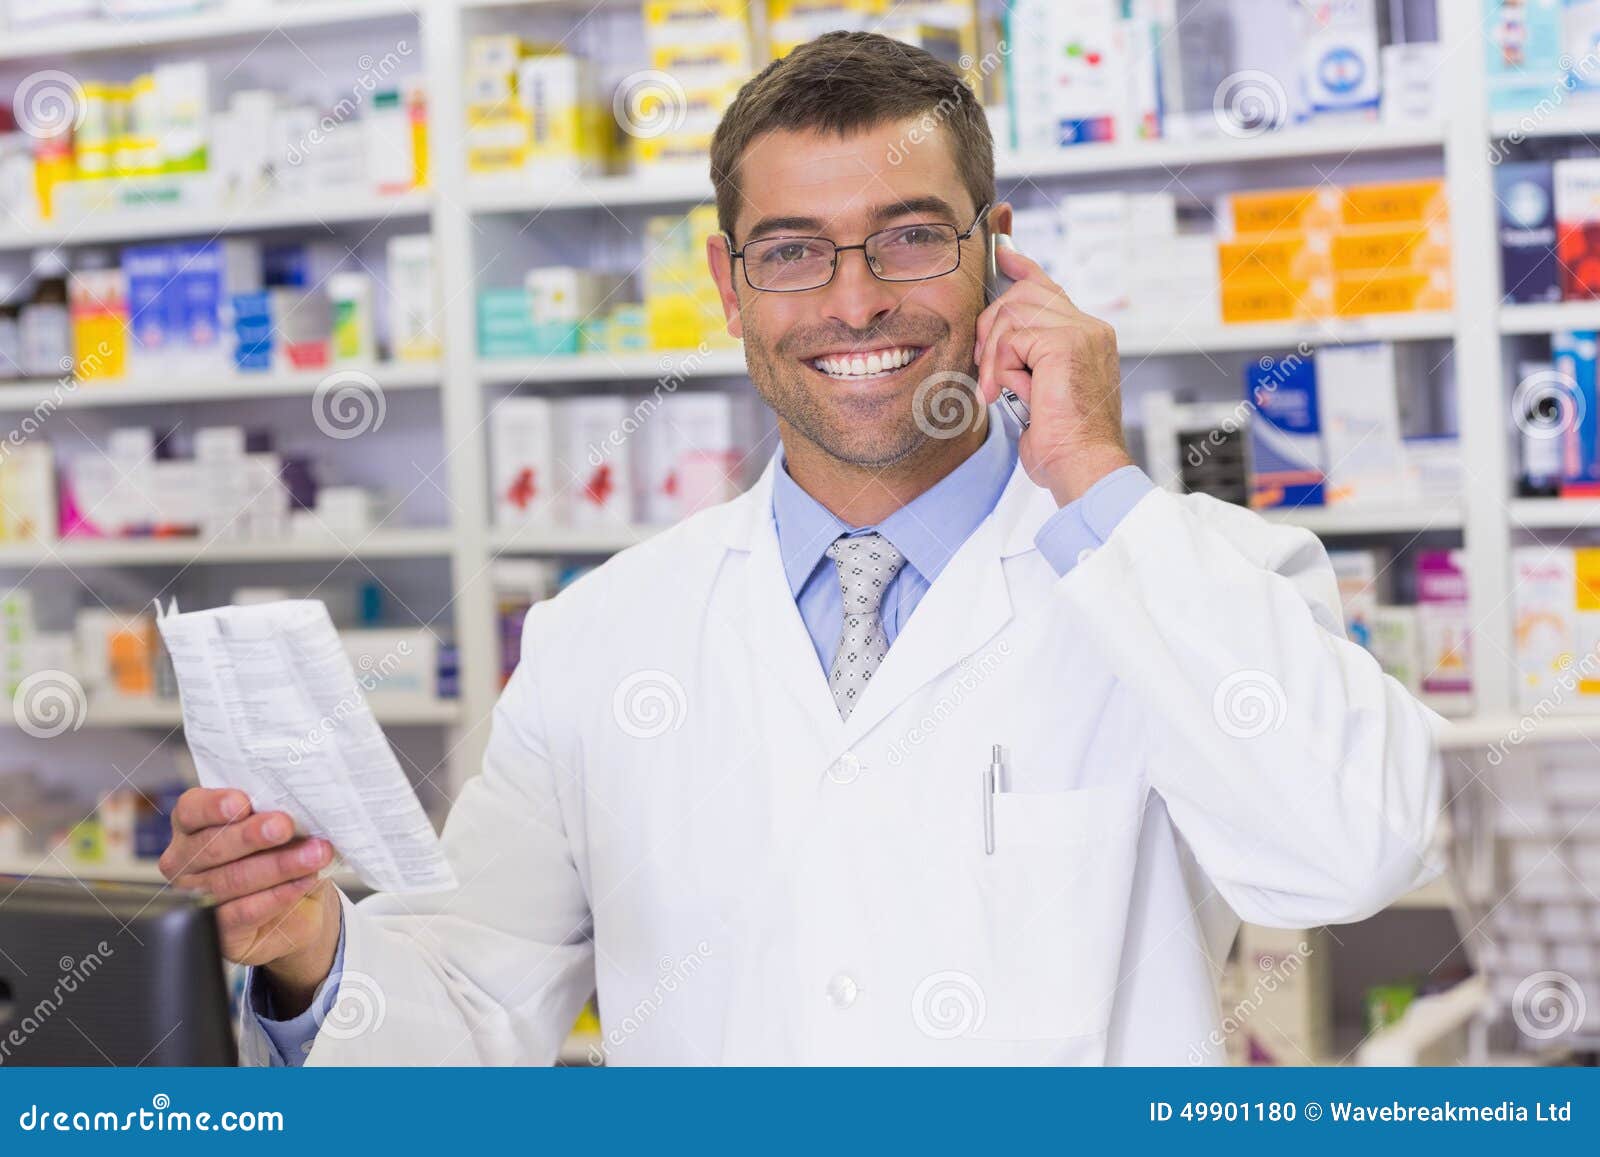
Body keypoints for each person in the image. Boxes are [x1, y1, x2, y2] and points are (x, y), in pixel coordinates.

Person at [159, 31, 1444, 1065]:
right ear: (728, 287)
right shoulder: (600, 638)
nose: (852, 299)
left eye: (910, 235)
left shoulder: (1192, 573)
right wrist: (310, 944)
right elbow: (473, 1010)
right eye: (791, 252)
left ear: (997, 254)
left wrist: (1089, 477)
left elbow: (1350, 851)